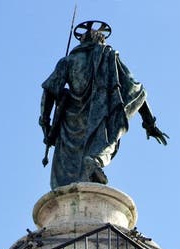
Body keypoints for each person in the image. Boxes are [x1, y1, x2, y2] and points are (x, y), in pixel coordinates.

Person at [40, 20, 168, 188]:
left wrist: (45, 123)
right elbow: (134, 90)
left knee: (64, 178)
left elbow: (49, 91)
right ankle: (94, 161)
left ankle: (76, 186)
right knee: (104, 144)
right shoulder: (108, 56)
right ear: (100, 39)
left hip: (70, 123)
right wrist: (149, 123)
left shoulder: (67, 61)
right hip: (100, 117)